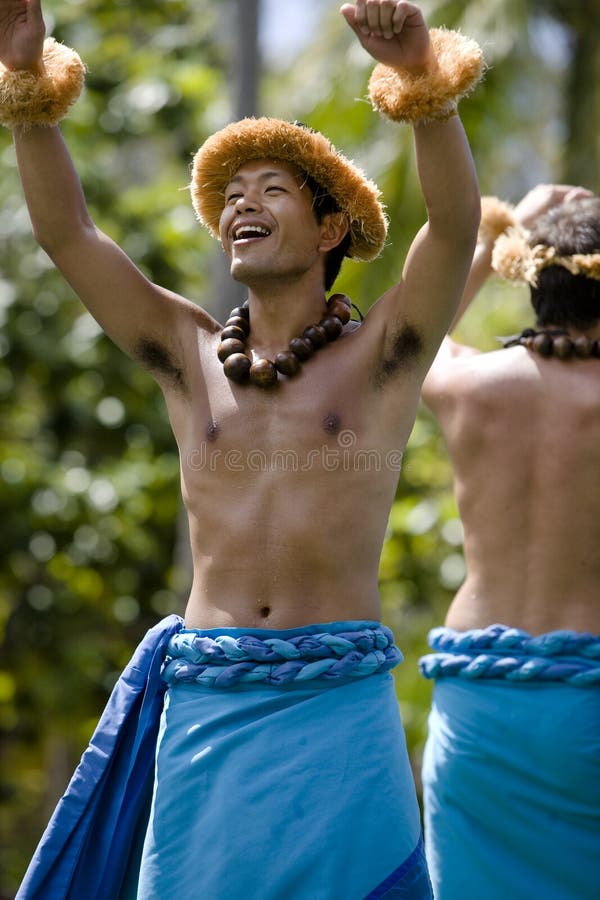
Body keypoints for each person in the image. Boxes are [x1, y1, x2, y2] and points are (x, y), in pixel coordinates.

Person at [1, 1, 484, 897]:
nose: (240, 204)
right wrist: (29, 85)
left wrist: (424, 80)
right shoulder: (189, 357)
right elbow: (70, 236)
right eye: (231, 194)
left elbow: (452, 230)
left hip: (337, 710)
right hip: (208, 709)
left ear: (331, 229)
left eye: (270, 188)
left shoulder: (380, 360)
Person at [419, 184, 600, 900]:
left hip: (479, 714)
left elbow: (412, 336)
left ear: (527, 273)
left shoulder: (468, 385)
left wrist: (505, 226)